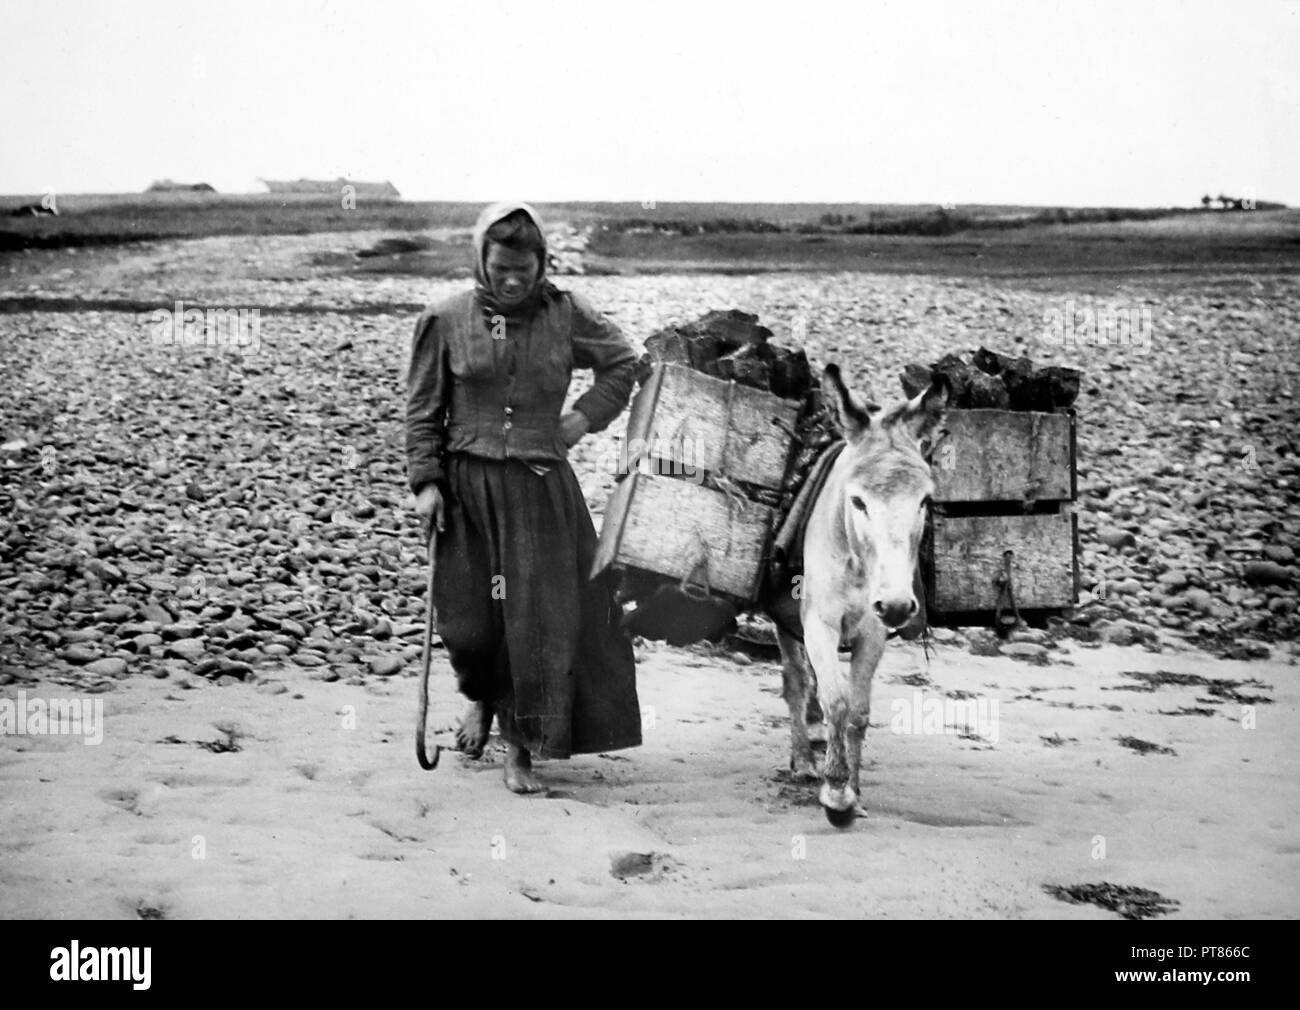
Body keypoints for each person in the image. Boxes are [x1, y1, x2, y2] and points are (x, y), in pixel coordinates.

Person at [405, 201, 641, 793]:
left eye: (525, 270)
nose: (513, 280)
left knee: (535, 623)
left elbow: (622, 363)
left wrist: (581, 420)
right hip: (466, 490)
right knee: (470, 622)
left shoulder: (566, 314)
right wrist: (427, 481)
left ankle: (521, 749)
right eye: (501, 267)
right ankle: (482, 698)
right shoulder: (446, 319)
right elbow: (423, 408)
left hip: (539, 493)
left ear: (543, 266)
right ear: (481, 261)